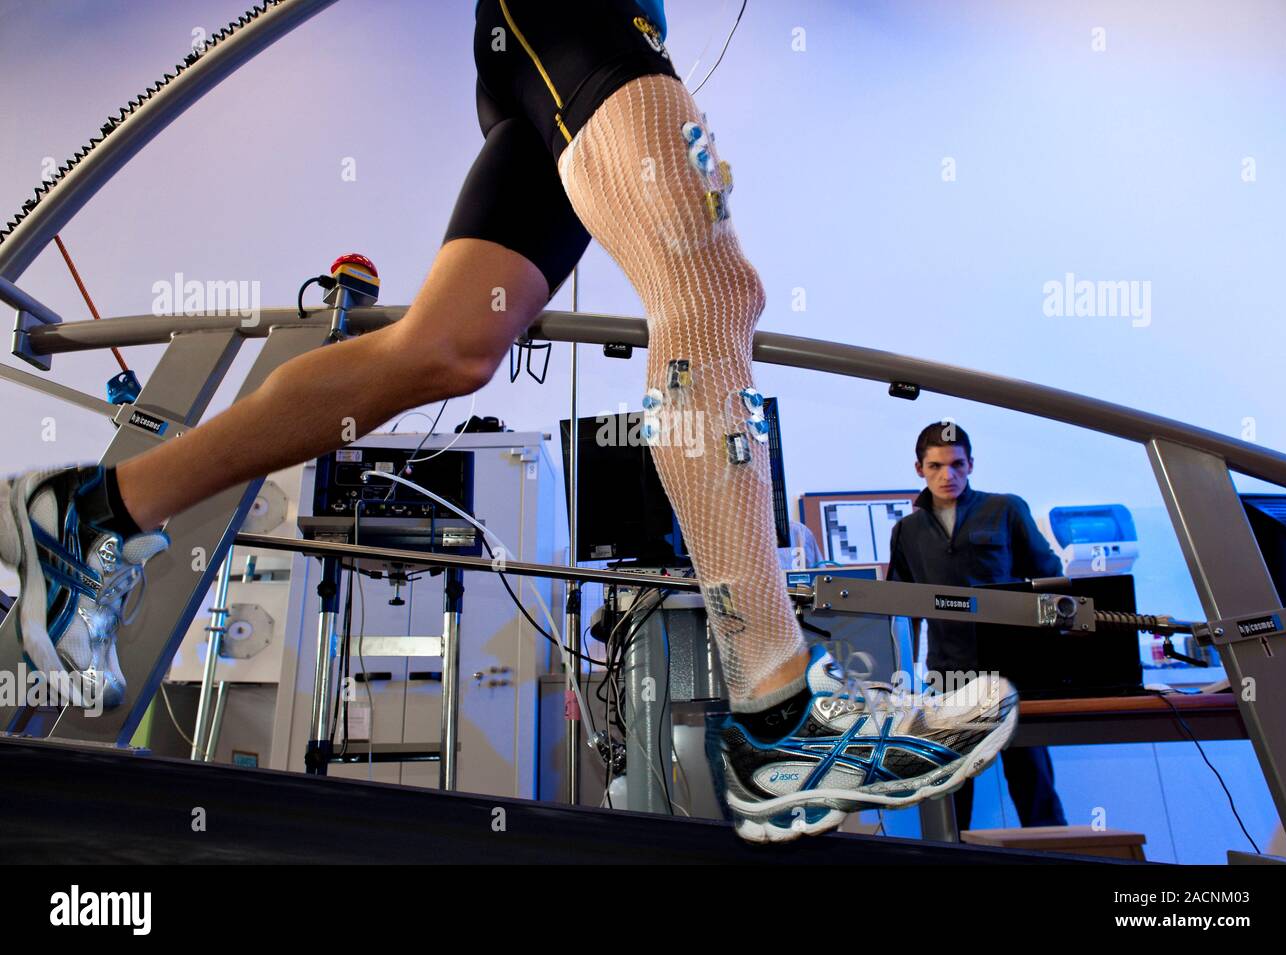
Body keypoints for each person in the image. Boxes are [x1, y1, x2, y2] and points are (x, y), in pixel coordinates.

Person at [0, 1, 1016, 843]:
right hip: (572, 14)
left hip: (552, 50)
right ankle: (778, 715)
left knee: (444, 349)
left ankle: (96, 505)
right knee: (709, 290)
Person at [887, 421, 1068, 832]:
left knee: (1033, 781)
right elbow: (900, 610)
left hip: (1014, 673)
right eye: (935, 466)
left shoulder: (1005, 509)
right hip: (949, 675)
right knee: (952, 787)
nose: (946, 476)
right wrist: (899, 681)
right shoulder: (908, 531)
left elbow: (1049, 583)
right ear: (919, 468)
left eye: (956, 465)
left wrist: (1052, 664)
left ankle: (1056, 855)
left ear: (971, 465)